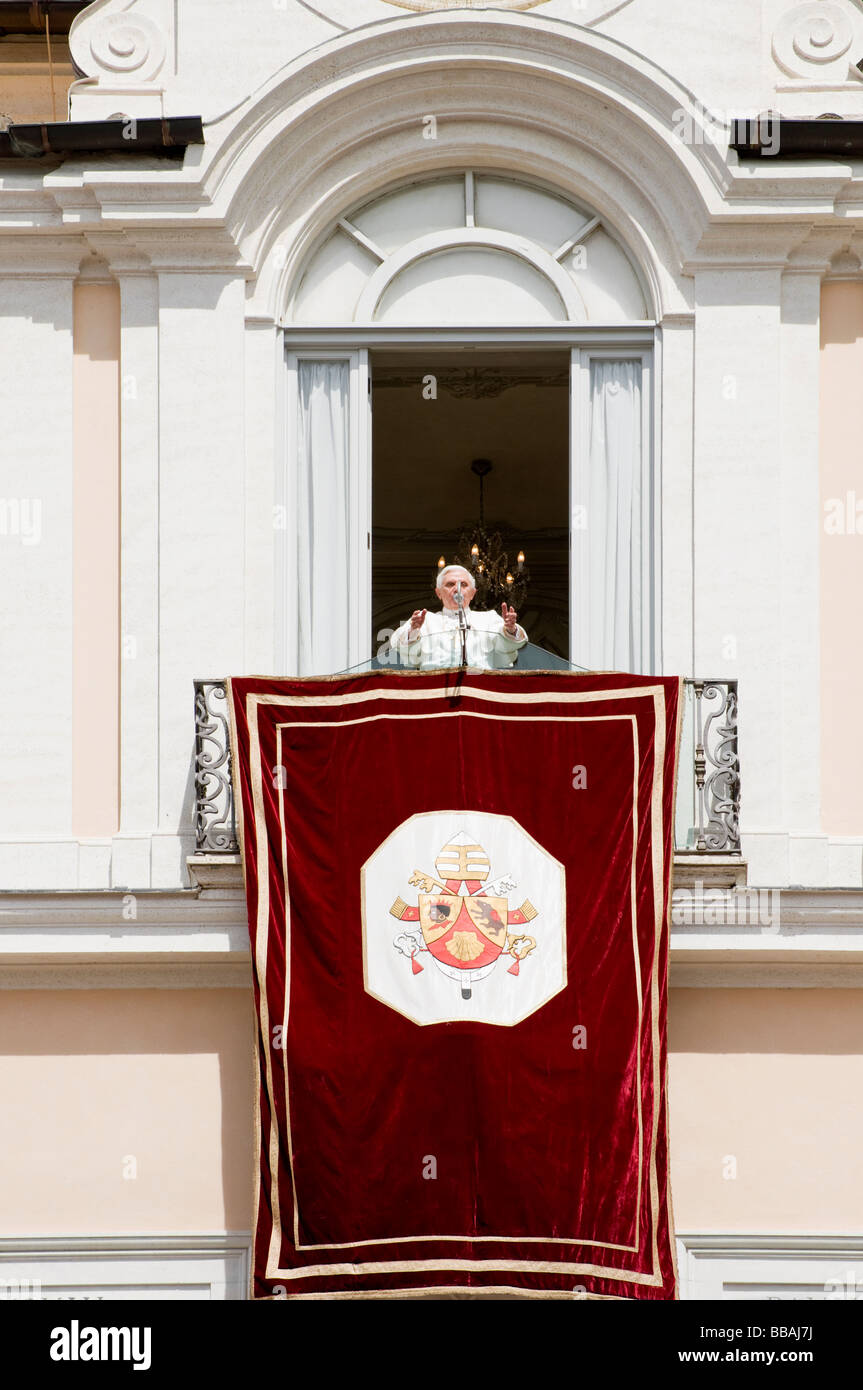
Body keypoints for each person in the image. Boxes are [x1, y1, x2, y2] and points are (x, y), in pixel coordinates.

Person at [389, 564, 528, 670]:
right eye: (450, 584)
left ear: (473, 593)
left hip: (479, 690)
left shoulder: (488, 619)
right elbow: (404, 649)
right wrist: (413, 631)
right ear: (438, 593)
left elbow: (507, 646)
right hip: (433, 690)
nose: (458, 589)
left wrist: (510, 629)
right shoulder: (425, 620)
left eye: (464, 584)